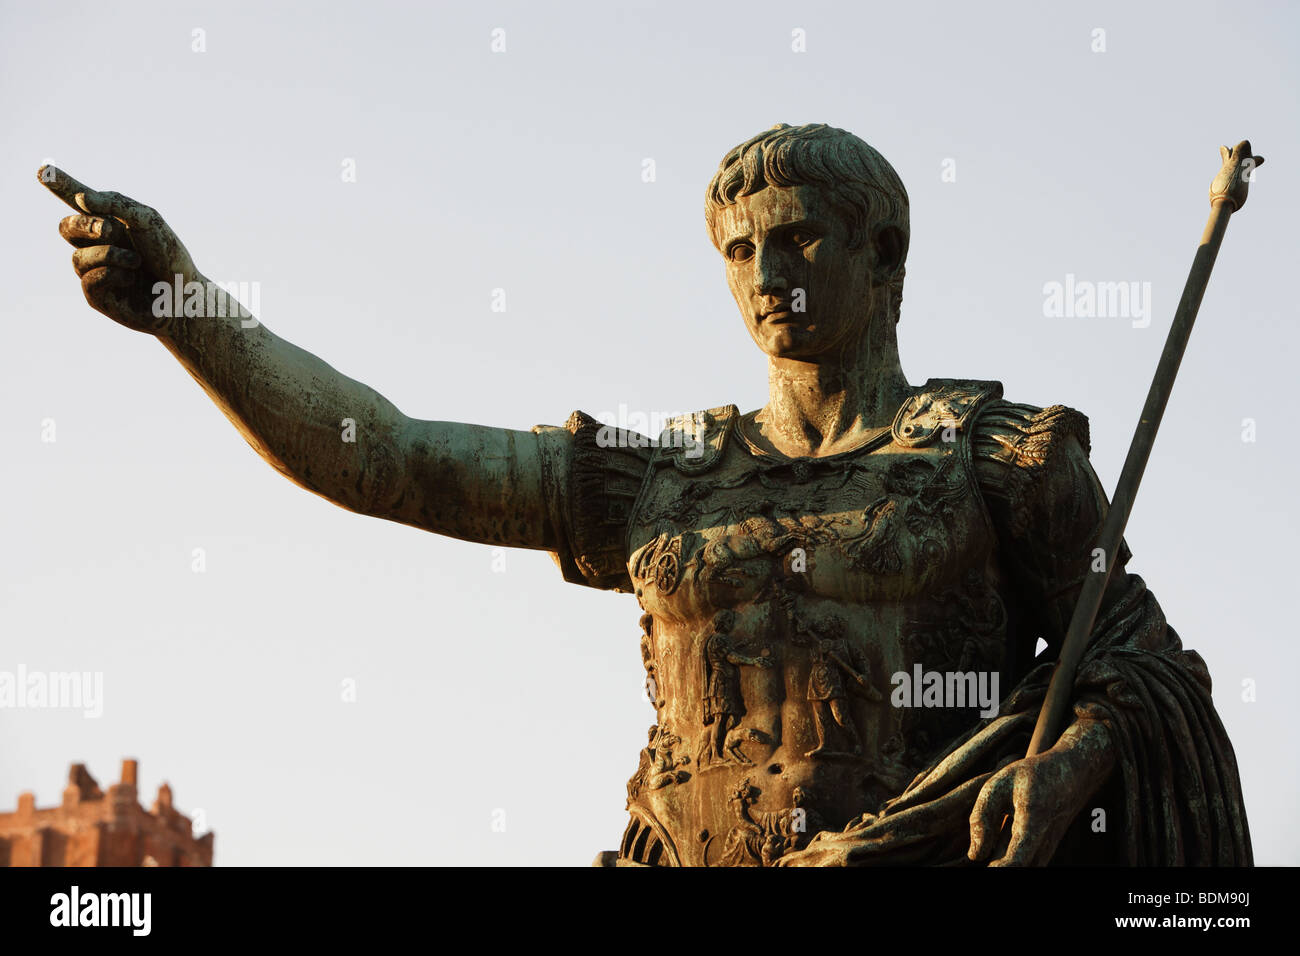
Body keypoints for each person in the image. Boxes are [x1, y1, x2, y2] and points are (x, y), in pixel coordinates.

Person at [40, 122, 1251, 867]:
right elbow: (388, 456)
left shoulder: (999, 455)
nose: (767, 274)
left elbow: (1139, 663)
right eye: (739, 250)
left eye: (802, 239)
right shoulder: (657, 472)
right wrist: (185, 313)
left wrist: (1070, 761)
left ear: (883, 253)